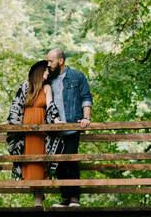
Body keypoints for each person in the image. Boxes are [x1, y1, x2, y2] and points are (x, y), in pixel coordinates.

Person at [6, 60, 61, 207]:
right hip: (25, 133)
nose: (48, 74)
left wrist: (55, 120)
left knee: (40, 165)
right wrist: (12, 124)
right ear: (39, 73)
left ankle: (38, 199)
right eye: (46, 71)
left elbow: (50, 105)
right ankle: (37, 196)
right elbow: (15, 106)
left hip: (41, 132)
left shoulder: (47, 88)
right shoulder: (25, 87)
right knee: (28, 166)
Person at [45, 48, 93, 207]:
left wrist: (86, 118)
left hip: (72, 126)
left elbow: (86, 97)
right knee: (57, 162)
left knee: (70, 160)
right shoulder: (48, 80)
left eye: (51, 61)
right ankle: (65, 198)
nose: (48, 64)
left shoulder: (77, 76)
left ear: (61, 61)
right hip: (54, 130)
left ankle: (74, 199)